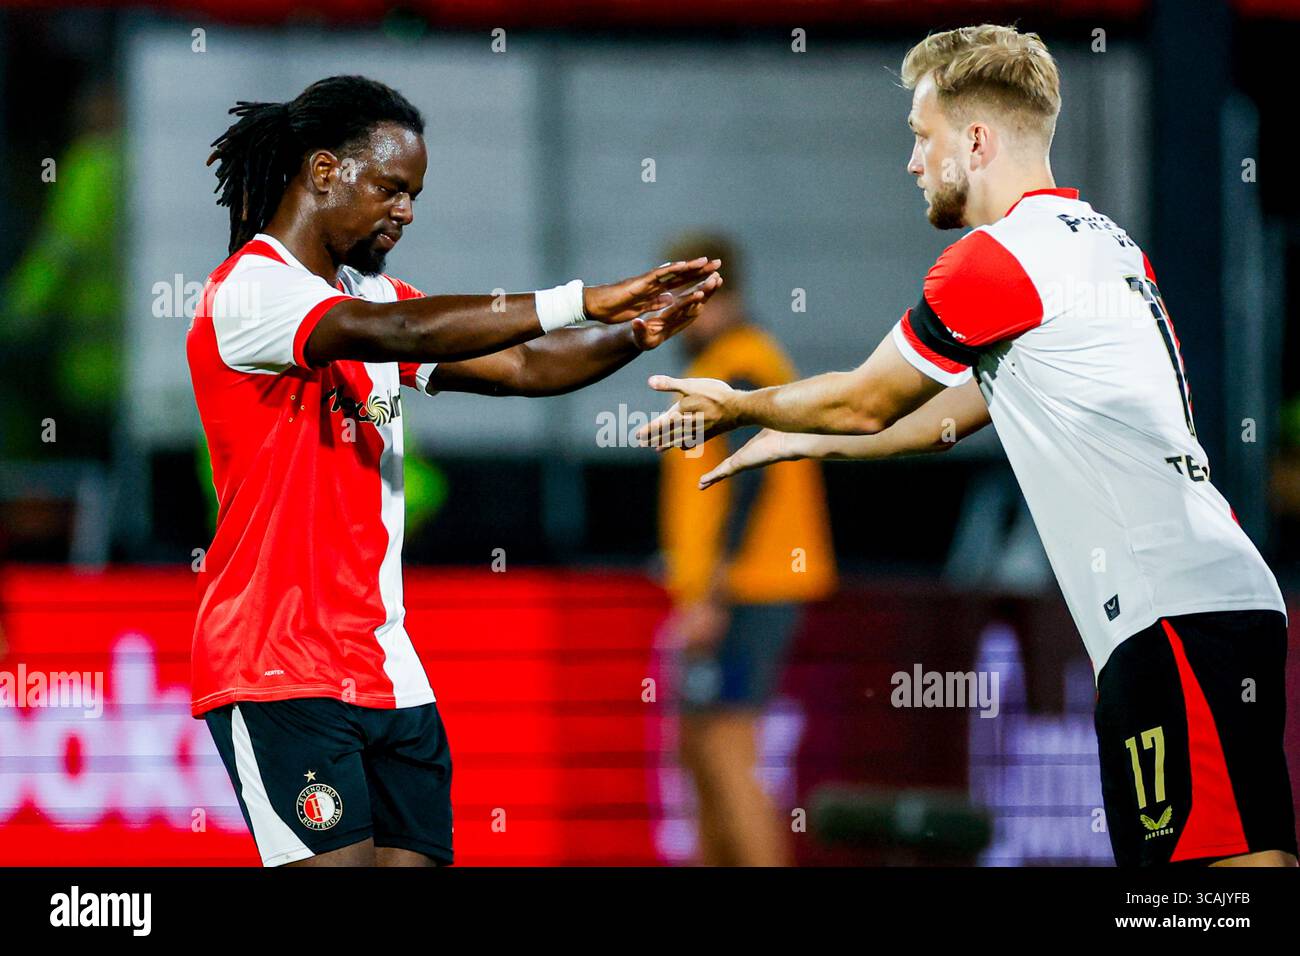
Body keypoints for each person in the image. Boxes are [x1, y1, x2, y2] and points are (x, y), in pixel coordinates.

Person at [639, 25, 1296, 867]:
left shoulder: (995, 261)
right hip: (1218, 595)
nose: (913, 162)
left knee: (1201, 891)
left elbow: (872, 397)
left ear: (976, 140)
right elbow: (939, 416)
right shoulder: (1101, 244)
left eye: (922, 136)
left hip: (1166, 611)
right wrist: (795, 438)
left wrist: (745, 405)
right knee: (1246, 862)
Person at [189, 75, 721, 867]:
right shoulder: (252, 292)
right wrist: (583, 299)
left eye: (415, 196)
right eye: (392, 189)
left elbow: (522, 367)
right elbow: (400, 328)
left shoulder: (365, 292)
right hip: (277, 668)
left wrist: (633, 336)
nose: (405, 211)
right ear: (325, 170)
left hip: (390, 672)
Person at [657, 233, 836, 866]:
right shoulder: (732, 362)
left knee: (728, 746)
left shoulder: (743, 365)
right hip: (732, 589)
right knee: (700, 748)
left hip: (748, 590)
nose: (672, 316)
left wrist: (713, 592)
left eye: (684, 299)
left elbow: (749, 480)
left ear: (715, 295)